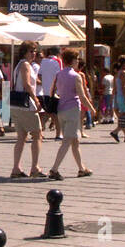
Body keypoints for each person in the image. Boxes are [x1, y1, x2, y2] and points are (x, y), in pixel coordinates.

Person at [47, 48, 96, 179]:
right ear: (73, 61)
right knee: (67, 141)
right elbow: (82, 96)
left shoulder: (58, 74)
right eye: (77, 59)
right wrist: (91, 108)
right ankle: (54, 169)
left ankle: (82, 168)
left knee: (75, 141)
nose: (78, 61)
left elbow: (53, 91)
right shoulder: (76, 76)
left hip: (61, 110)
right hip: (73, 110)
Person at [8, 41, 46, 179]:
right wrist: (36, 99)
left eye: (35, 51)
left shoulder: (18, 65)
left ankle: (16, 168)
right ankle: (35, 167)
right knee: (37, 134)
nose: (34, 53)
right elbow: (27, 84)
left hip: (15, 104)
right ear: (24, 52)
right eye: (31, 51)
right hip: (25, 104)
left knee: (22, 136)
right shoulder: (25, 65)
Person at [38, 47, 63, 139]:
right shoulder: (58, 61)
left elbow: (39, 75)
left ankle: (40, 130)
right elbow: (60, 75)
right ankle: (59, 133)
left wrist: (44, 83)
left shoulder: (43, 61)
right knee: (56, 113)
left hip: (45, 90)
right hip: (56, 91)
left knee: (49, 112)